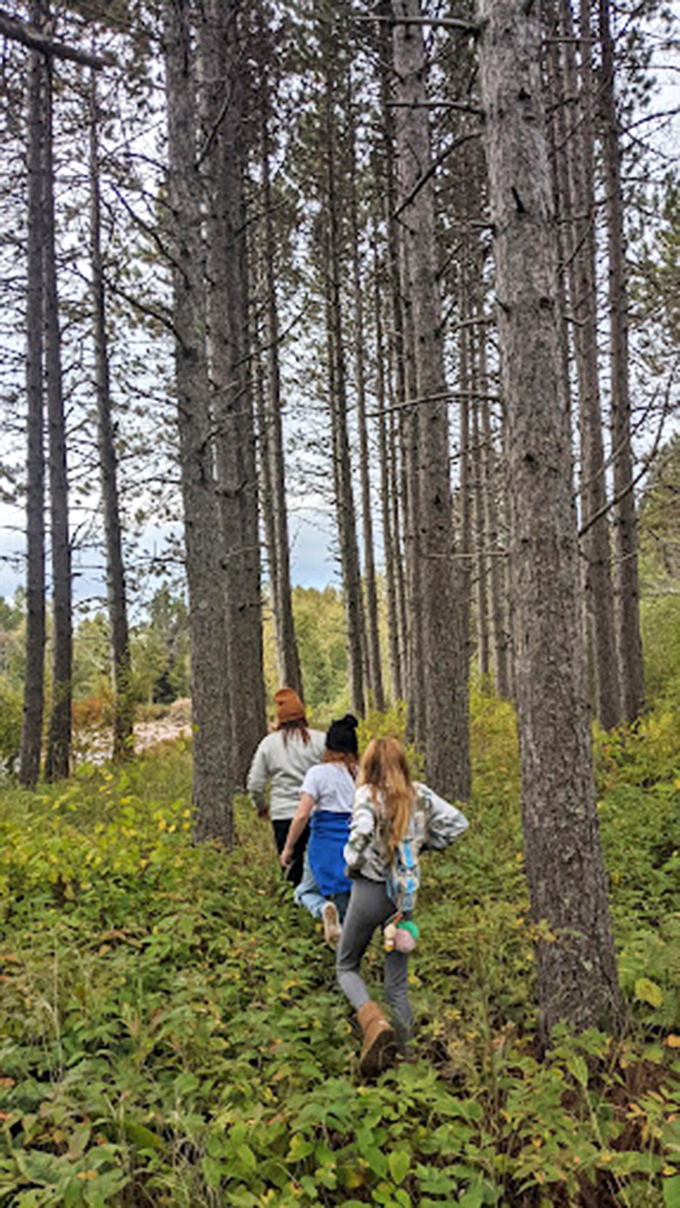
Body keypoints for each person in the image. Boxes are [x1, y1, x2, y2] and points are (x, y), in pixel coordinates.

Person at [337, 736, 469, 1077]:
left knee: (347, 965)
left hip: (369, 891)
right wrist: (422, 846)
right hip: (402, 900)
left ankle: (375, 1023)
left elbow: (362, 830)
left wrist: (351, 864)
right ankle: (407, 1063)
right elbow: (458, 823)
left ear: (369, 766)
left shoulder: (368, 795)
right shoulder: (419, 794)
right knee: (397, 984)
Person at [280, 715, 359, 947]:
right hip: (353, 845)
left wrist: (288, 847)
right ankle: (345, 956)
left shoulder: (317, 773)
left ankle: (323, 908)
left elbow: (302, 814)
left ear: (328, 747)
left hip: (323, 845)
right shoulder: (362, 774)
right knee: (346, 896)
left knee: (304, 892)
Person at [246, 687, 325, 887]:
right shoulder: (320, 740)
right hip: (317, 812)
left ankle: (294, 912)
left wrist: (261, 806)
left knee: (290, 868)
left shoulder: (269, 744)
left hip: (283, 815)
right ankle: (323, 907)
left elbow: (255, 784)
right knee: (320, 867)